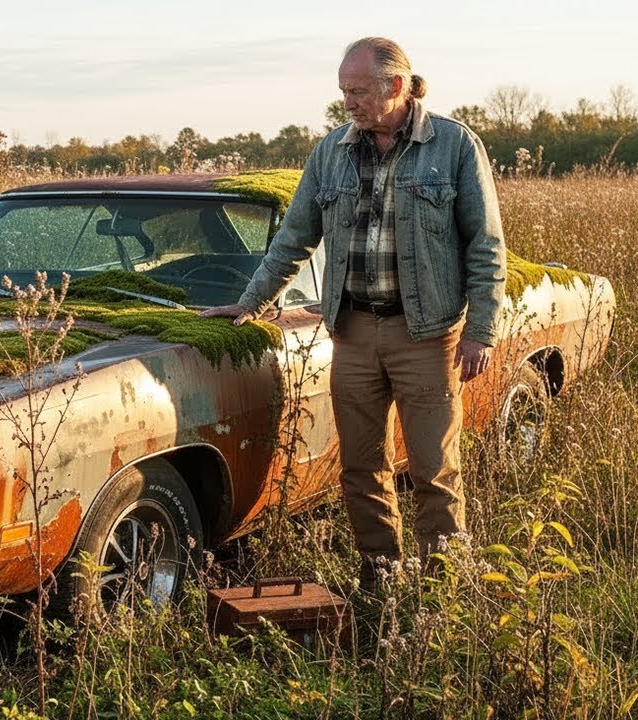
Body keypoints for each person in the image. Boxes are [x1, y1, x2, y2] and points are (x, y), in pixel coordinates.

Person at [201, 37, 506, 591]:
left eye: (358, 91)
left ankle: (443, 590)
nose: (348, 102)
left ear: (396, 86)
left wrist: (481, 331)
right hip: (354, 334)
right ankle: (381, 581)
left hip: (429, 336)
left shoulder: (455, 146)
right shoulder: (330, 153)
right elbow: (293, 239)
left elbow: (485, 245)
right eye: (343, 90)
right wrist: (251, 303)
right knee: (362, 470)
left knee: (434, 470)